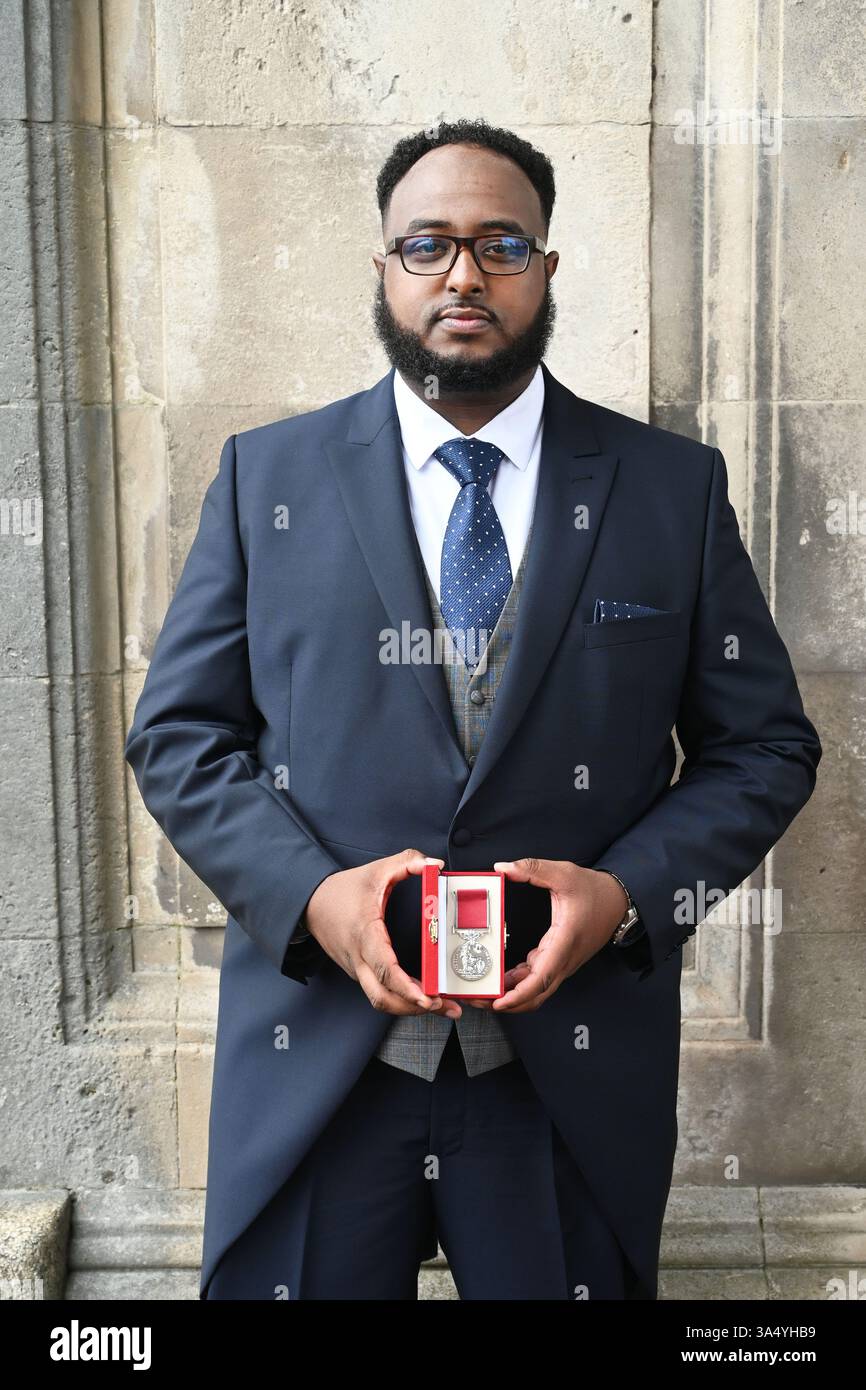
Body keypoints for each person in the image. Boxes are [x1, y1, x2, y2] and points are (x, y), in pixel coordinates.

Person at [124, 118, 821, 1300]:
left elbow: (762, 745)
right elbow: (180, 738)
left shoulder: (666, 489)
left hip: (562, 1083)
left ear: (546, 270)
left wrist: (622, 896)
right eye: (426, 245)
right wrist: (313, 899)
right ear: (384, 268)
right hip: (320, 1075)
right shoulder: (266, 480)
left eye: (501, 244)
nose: (462, 273)